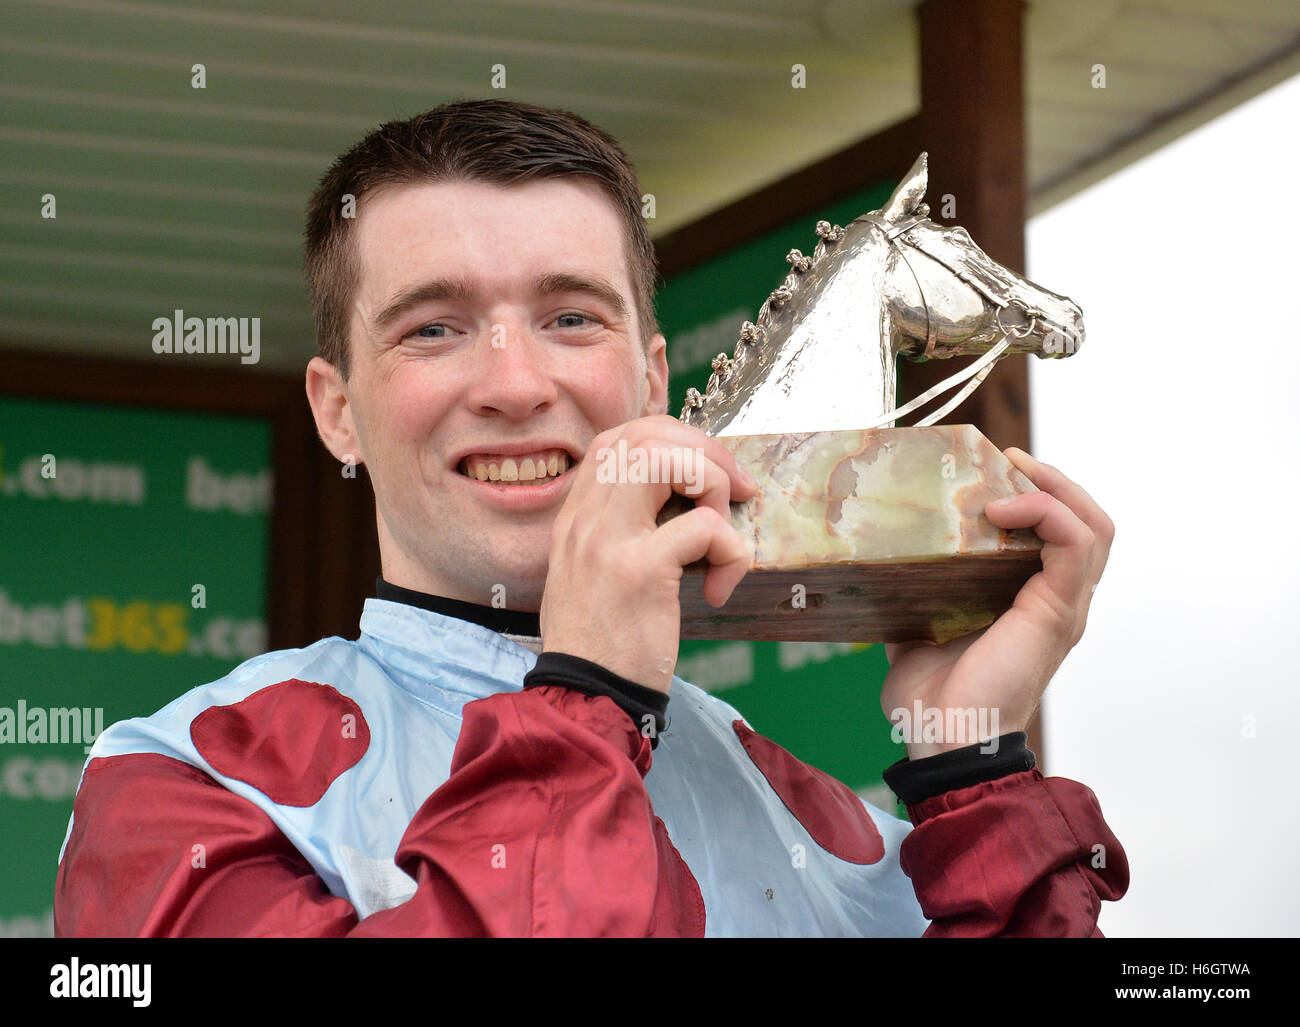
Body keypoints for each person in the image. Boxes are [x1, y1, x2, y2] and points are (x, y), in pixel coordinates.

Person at [54, 99, 1127, 937]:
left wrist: (967, 765)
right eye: (434, 328)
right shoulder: (178, 781)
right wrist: (589, 697)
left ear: (651, 380)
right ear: (338, 413)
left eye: (571, 316)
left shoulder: (825, 822)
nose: (515, 382)